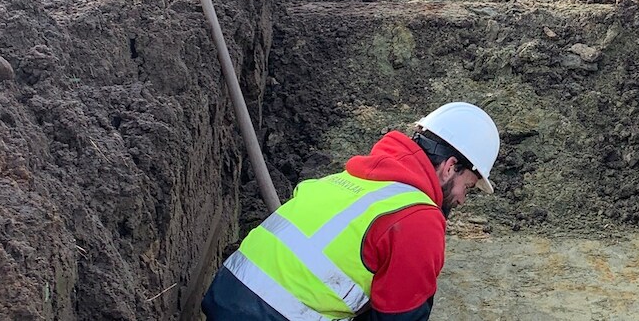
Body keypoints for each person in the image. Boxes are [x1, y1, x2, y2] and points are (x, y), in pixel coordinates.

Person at [201, 102, 500, 321]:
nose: (461, 199)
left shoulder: (350, 180)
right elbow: (400, 319)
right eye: (468, 187)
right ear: (450, 167)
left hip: (224, 296)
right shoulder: (418, 219)